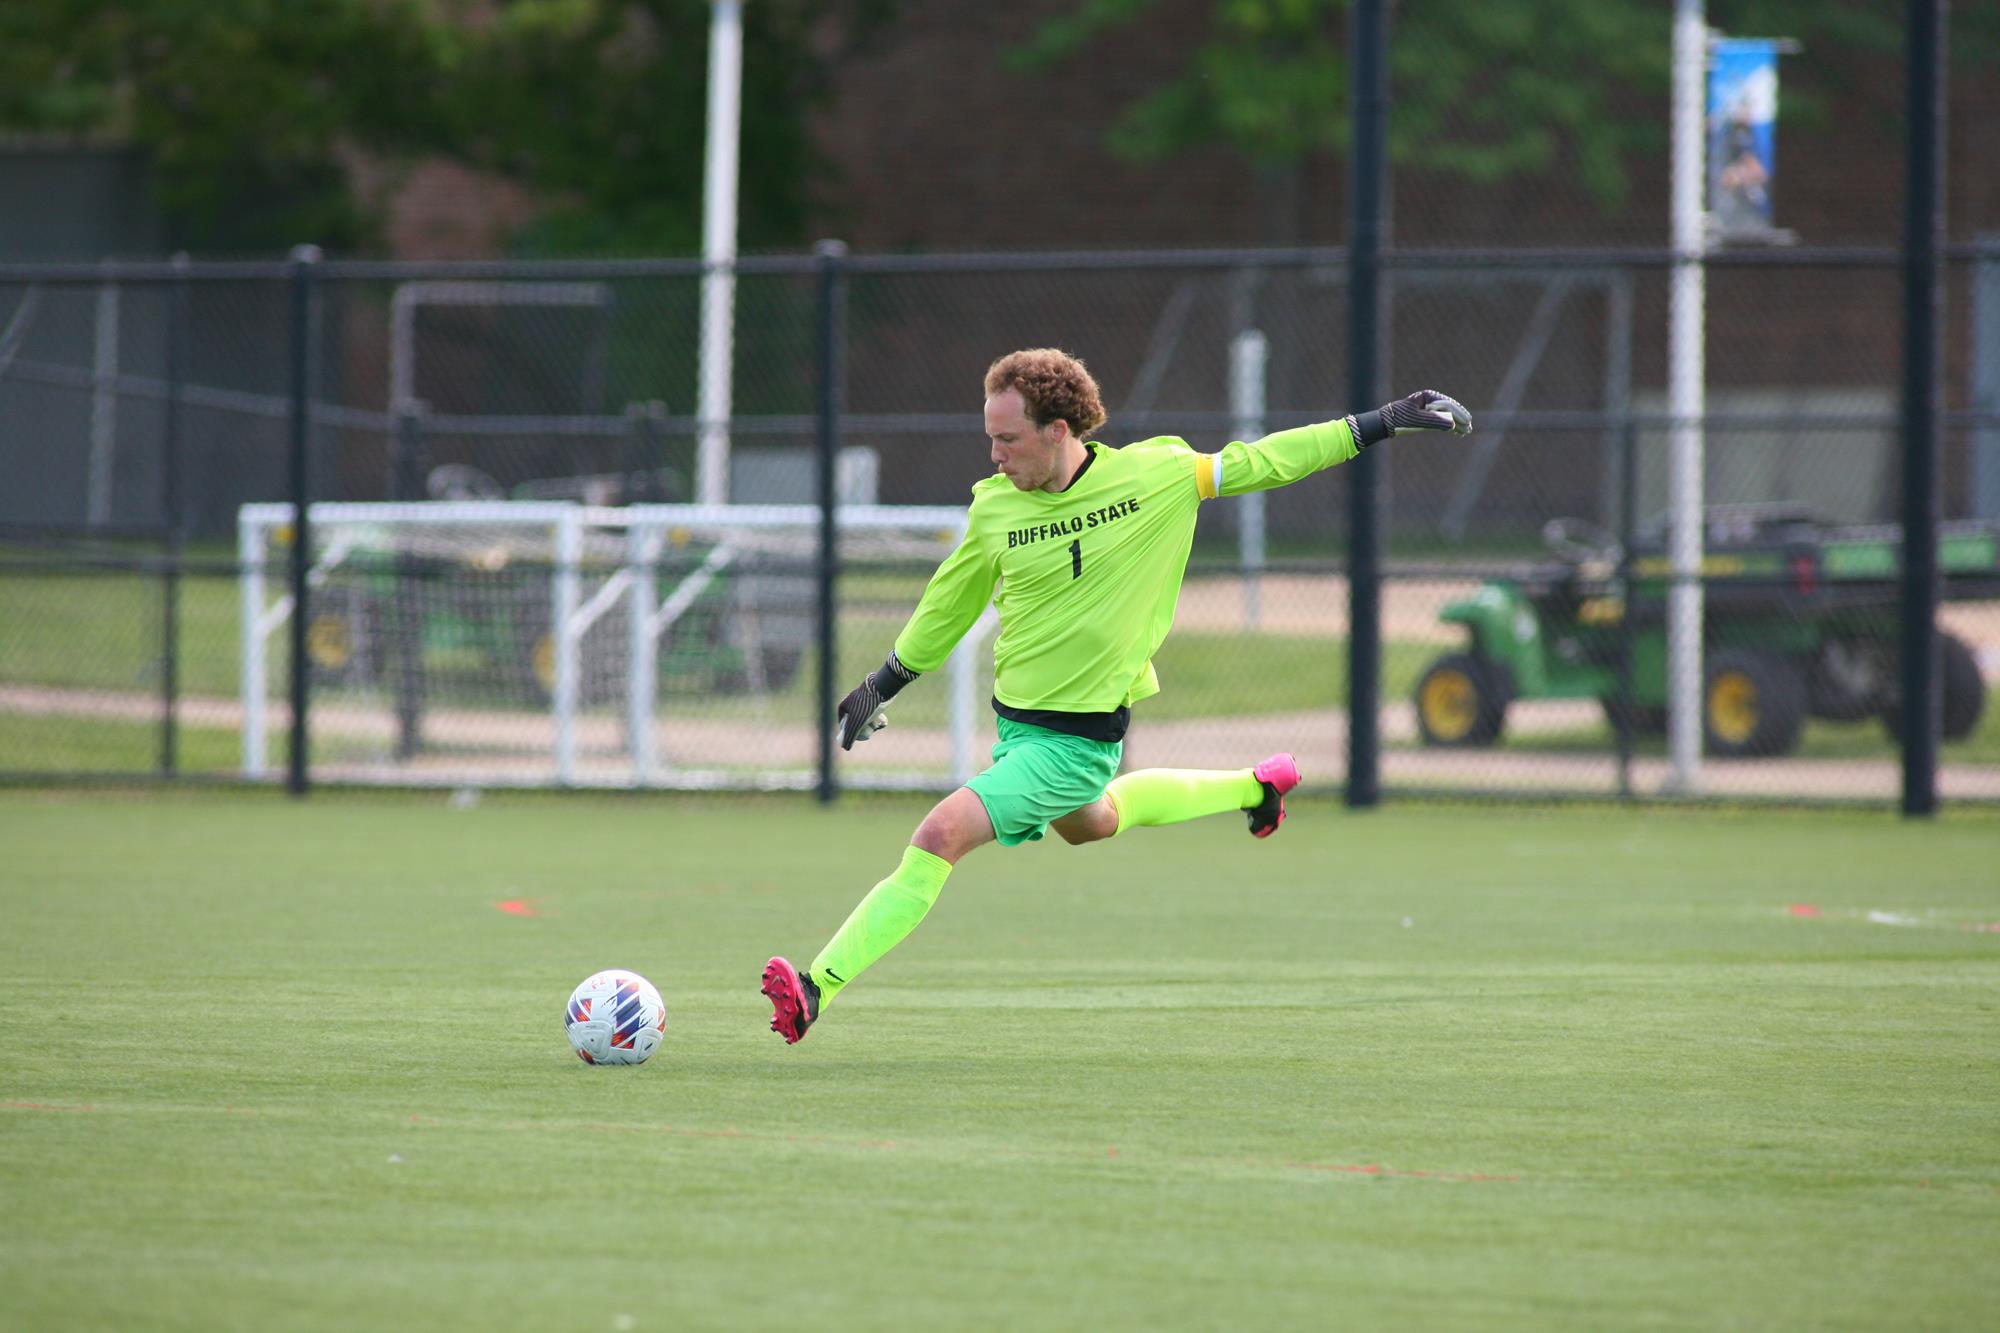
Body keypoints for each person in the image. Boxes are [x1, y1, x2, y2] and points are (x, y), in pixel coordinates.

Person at [762, 348, 1471, 1043]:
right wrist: (880, 684)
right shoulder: (995, 508)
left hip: (1075, 742)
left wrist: (1380, 420)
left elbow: (1266, 460)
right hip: (1019, 731)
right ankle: (1257, 788)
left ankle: (817, 985)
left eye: (1007, 439)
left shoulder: (1158, 476)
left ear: (1058, 431)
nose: (995, 455)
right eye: (989, 438)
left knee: (939, 835)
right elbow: (947, 606)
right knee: (1094, 822)